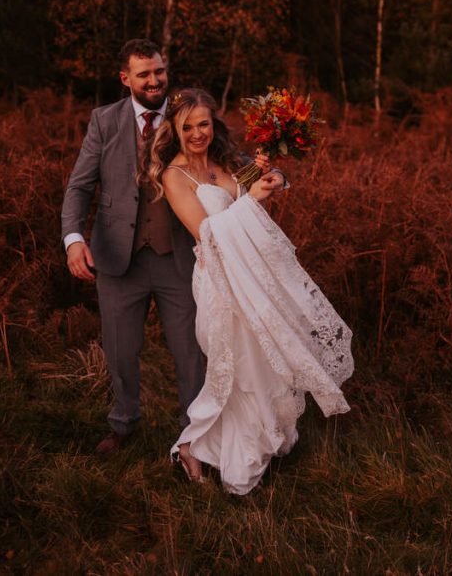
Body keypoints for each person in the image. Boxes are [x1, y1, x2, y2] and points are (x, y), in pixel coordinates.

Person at [148, 88, 354, 494]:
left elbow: (252, 190)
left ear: (214, 122)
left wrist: (271, 179)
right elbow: (206, 232)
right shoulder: (175, 176)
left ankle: (233, 445)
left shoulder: (225, 162)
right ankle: (199, 449)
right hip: (221, 283)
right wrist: (252, 199)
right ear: (173, 129)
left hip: (255, 275)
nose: (196, 133)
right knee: (238, 368)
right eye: (187, 126)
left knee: (263, 363)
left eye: (204, 123)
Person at [60, 39, 208, 455]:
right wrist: (74, 240)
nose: (154, 80)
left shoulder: (186, 117)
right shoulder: (104, 121)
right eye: (143, 74)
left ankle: (193, 436)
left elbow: (226, 160)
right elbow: (80, 185)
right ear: (125, 79)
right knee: (121, 351)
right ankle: (123, 423)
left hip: (177, 257)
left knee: (190, 353)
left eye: (159, 71)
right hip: (115, 259)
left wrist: (270, 172)